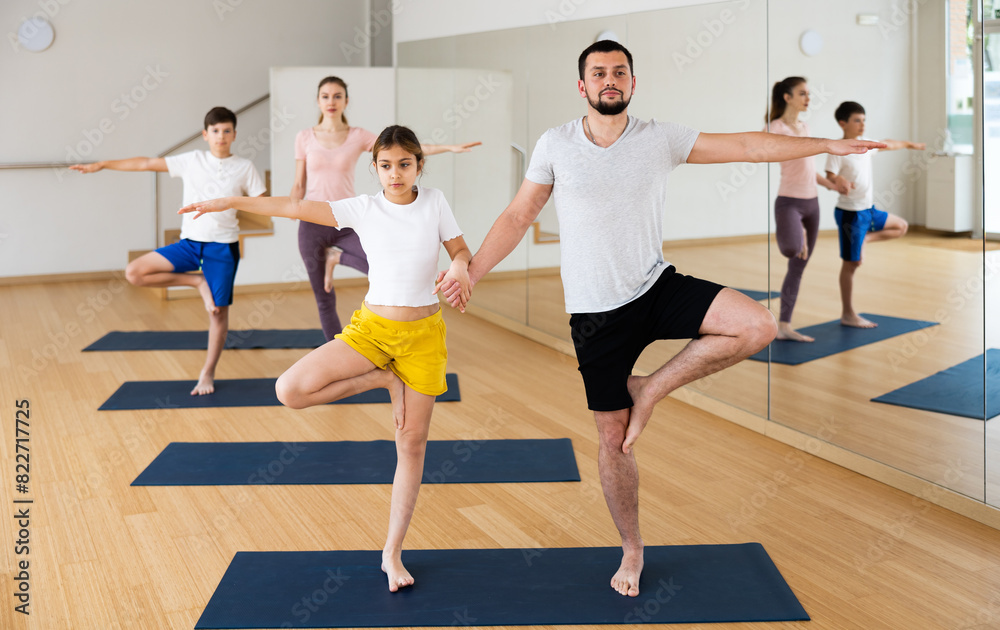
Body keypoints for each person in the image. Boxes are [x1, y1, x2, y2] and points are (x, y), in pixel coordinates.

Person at [436, 40, 884, 598]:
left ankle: (650, 387)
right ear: (581, 86)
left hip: (655, 285)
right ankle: (632, 548)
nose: (609, 80)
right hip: (594, 313)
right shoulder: (556, 144)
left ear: (632, 82)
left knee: (756, 325)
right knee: (613, 439)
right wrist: (473, 271)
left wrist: (829, 143)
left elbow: (747, 145)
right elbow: (519, 213)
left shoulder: (661, 138)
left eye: (619, 72)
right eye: (598, 73)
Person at [181, 125, 471, 593]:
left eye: (404, 164)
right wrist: (228, 202)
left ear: (419, 165)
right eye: (385, 165)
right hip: (372, 332)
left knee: (411, 447)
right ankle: (383, 381)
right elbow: (293, 207)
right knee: (289, 390)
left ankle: (392, 552)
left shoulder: (434, 202)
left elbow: (459, 249)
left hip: (423, 339)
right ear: (373, 167)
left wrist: (458, 266)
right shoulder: (363, 207)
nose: (395, 173)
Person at [70, 107, 267, 395]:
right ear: (205, 134)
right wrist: (103, 164)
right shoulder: (192, 161)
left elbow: (263, 205)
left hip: (222, 248)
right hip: (189, 244)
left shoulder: (245, 167)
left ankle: (207, 373)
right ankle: (196, 280)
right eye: (215, 131)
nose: (220, 136)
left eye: (226, 131)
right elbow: (145, 163)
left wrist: (232, 201)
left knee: (217, 314)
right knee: (134, 272)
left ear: (234, 134)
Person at [294, 76, 479, 340]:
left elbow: (401, 151)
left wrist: (448, 147)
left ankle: (337, 258)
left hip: (347, 223)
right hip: (314, 224)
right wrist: (293, 208)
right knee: (322, 296)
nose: (331, 101)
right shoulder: (304, 137)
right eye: (325, 96)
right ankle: (332, 349)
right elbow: (298, 182)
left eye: (337, 96)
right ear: (318, 100)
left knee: (385, 270)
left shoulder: (357, 136)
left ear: (346, 101)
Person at [825, 101, 924, 329]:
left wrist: (909, 144)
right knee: (852, 264)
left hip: (869, 209)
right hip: (850, 214)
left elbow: (888, 143)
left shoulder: (866, 146)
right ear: (843, 123)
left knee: (901, 227)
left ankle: (865, 240)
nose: (862, 125)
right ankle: (848, 313)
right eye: (857, 120)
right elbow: (830, 173)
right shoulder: (838, 148)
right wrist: (838, 180)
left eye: (864, 120)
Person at [767, 77, 851, 342]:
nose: (808, 98)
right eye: (802, 93)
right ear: (787, 97)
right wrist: (800, 231)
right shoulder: (775, 127)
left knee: (797, 268)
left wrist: (832, 184)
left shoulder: (804, 127)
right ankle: (798, 234)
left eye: (808, 94)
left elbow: (808, 168)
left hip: (811, 203)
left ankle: (784, 326)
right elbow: (782, 156)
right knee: (792, 249)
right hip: (789, 202)